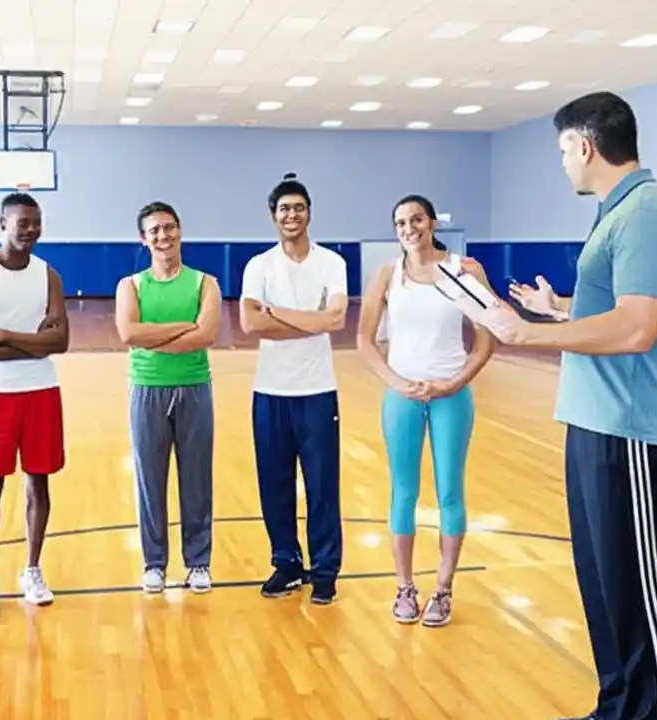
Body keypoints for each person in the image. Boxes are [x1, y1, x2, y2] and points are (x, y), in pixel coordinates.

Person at [477, 91, 657, 720]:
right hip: (593, 422)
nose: (563, 162)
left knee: (639, 589)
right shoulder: (616, 214)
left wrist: (526, 333)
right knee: (605, 585)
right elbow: (617, 309)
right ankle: (617, 705)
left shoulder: (647, 215)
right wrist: (561, 308)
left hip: (629, 430)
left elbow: (636, 328)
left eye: (563, 149)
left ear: (586, 145)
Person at [355, 194, 495, 627]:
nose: (408, 228)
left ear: (432, 223)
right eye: (400, 222)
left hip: (451, 394)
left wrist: (456, 381)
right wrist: (397, 382)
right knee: (403, 492)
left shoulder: (463, 271)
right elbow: (364, 340)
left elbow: (487, 338)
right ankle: (405, 587)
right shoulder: (386, 276)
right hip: (402, 397)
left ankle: (443, 589)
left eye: (416, 219)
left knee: (450, 492)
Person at [238, 173, 348, 605]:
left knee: (323, 485)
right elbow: (250, 324)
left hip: (319, 392)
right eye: (284, 209)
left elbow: (335, 320)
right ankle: (286, 563)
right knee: (275, 484)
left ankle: (324, 570)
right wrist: (310, 320)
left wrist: (278, 314)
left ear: (309, 213)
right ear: (273, 216)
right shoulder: (259, 266)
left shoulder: (331, 263)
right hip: (270, 392)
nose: (292, 215)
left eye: (298, 207)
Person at [0, 192, 68, 620]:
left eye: (36, 222)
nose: (30, 230)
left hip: (42, 392)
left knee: (38, 484)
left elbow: (61, 341)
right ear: (2, 223)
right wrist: (33, 342)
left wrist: (4, 335)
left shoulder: (49, 275)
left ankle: (32, 569)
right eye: (22, 222)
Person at [114, 201, 221, 594]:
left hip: (195, 387)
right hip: (147, 390)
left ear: (180, 231)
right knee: (150, 479)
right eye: (155, 230)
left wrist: (155, 334)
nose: (163, 236)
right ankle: (154, 563)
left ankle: (198, 563)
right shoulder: (131, 285)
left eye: (169, 227)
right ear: (144, 239)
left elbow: (206, 335)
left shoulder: (205, 282)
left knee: (196, 479)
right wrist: (182, 329)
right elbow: (129, 334)